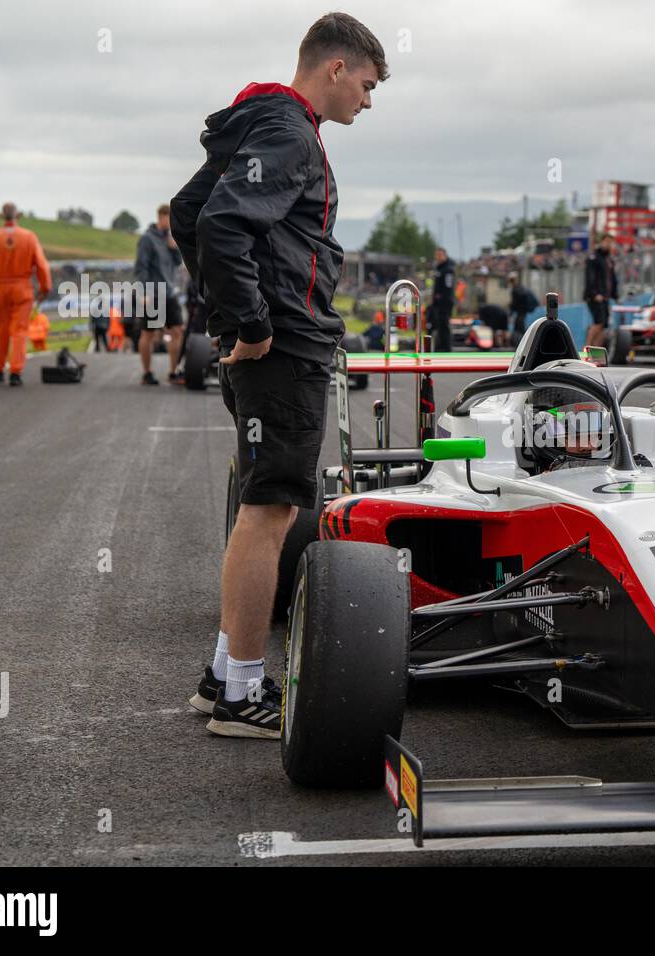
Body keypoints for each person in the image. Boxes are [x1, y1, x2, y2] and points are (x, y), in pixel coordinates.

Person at [171, 11, 389, 739]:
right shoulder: (289, 131)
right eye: (365, 83)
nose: (367, 99)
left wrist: (229, 318)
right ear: (335, 69)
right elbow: (221, 224)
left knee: (261, 510)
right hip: (283, 351)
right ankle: (239, 695)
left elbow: (189, 212)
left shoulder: (260, 121)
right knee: (271, 514)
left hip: (267, 347)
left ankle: (220, 675)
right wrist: (254, 324)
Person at [0, 202, 53, 387]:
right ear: (18, 216)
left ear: (2, 217)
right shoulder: (29, 237)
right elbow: (42, 265)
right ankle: (16, 371)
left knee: (0, 330)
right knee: (19, 331)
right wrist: (45, 287)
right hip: (22, 287)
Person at [134, 204, 186, 385]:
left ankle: (173, 372)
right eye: (170, 219)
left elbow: (178, 263)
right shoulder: (147, 239)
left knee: (178, 330)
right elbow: (141, 268)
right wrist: (144, 292)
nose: (172, 223)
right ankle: (147, 373)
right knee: (148, 333)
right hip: (152, 293)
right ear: (161, 216)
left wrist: (174, 248)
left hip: (170, 292)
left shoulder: (171, 238)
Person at [583, 233, 618, 350]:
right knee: (598, 322)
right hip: (594, 297)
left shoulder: (609, 260)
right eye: (607, 242)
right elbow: (590, 278)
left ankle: (597, 355)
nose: (609, 245)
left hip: (605, 298)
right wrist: (594, 294)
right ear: (601, 242)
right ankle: (585, 351)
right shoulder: (593, 258)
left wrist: (615, 295)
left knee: (604, 325)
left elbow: (612, 279)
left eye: (610, 242)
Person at [428, 247, 455, 352]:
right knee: (438, 324)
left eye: (440, 255)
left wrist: (442, 297)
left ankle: (446, 347)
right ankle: (440, 346)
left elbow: (448, 287)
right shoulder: (438, 268)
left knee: (444, 324)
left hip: (445, 302)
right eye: (437, 255)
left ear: (444, 255)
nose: (438, 257)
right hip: (437, 303)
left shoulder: (448, 269)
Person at [507, 273, 538, 346]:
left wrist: (510, 313)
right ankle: (519, 343)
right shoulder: (520, 288)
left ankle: (527, 343)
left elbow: (515, 303)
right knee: (518, 326)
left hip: (521, 311)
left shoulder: (515, 290)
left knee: (520, 326)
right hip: (523, 310)